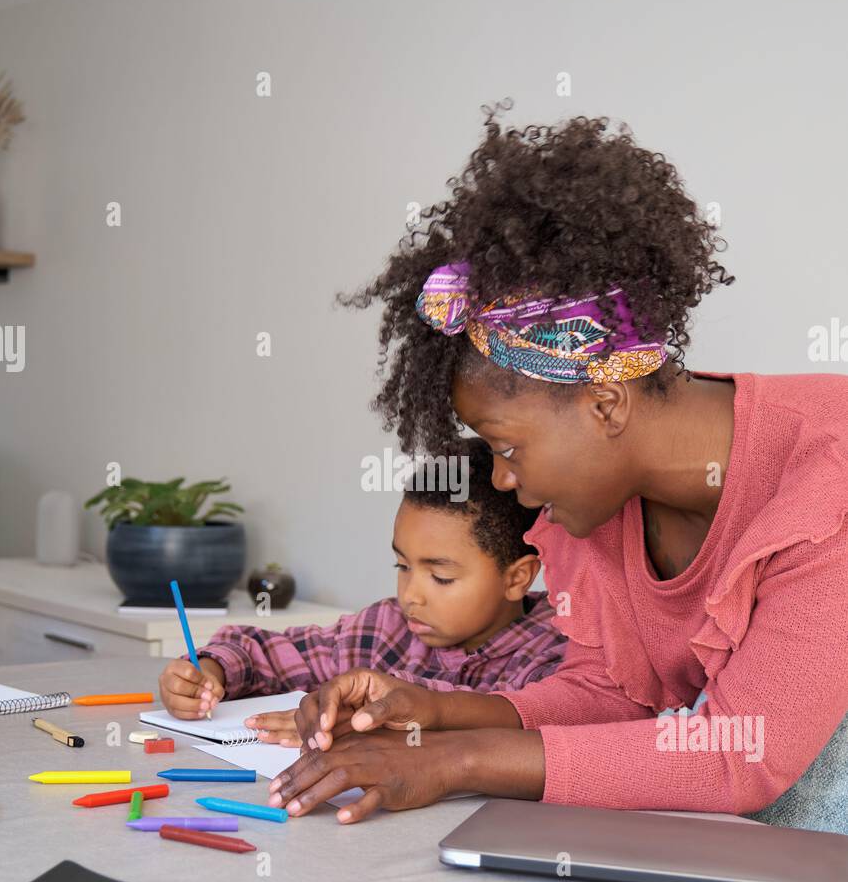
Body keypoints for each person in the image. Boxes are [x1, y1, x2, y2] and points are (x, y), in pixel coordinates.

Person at [265, 107, 848, 830]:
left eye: (506, 447)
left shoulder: (829, 480)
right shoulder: (599, 506)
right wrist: (434, 715)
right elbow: (616, 695)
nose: (503, 481)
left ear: (604, 406)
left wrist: (454, 762)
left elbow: (738, 754)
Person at [158, 438, 568, 737]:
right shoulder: (384, 629)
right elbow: (261, 651)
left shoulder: (557, 650)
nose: (411, 595)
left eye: (441, 577)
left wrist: (375, 710)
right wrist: (208, 673)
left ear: (517, 577)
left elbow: (526, 721)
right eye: (402, 565)